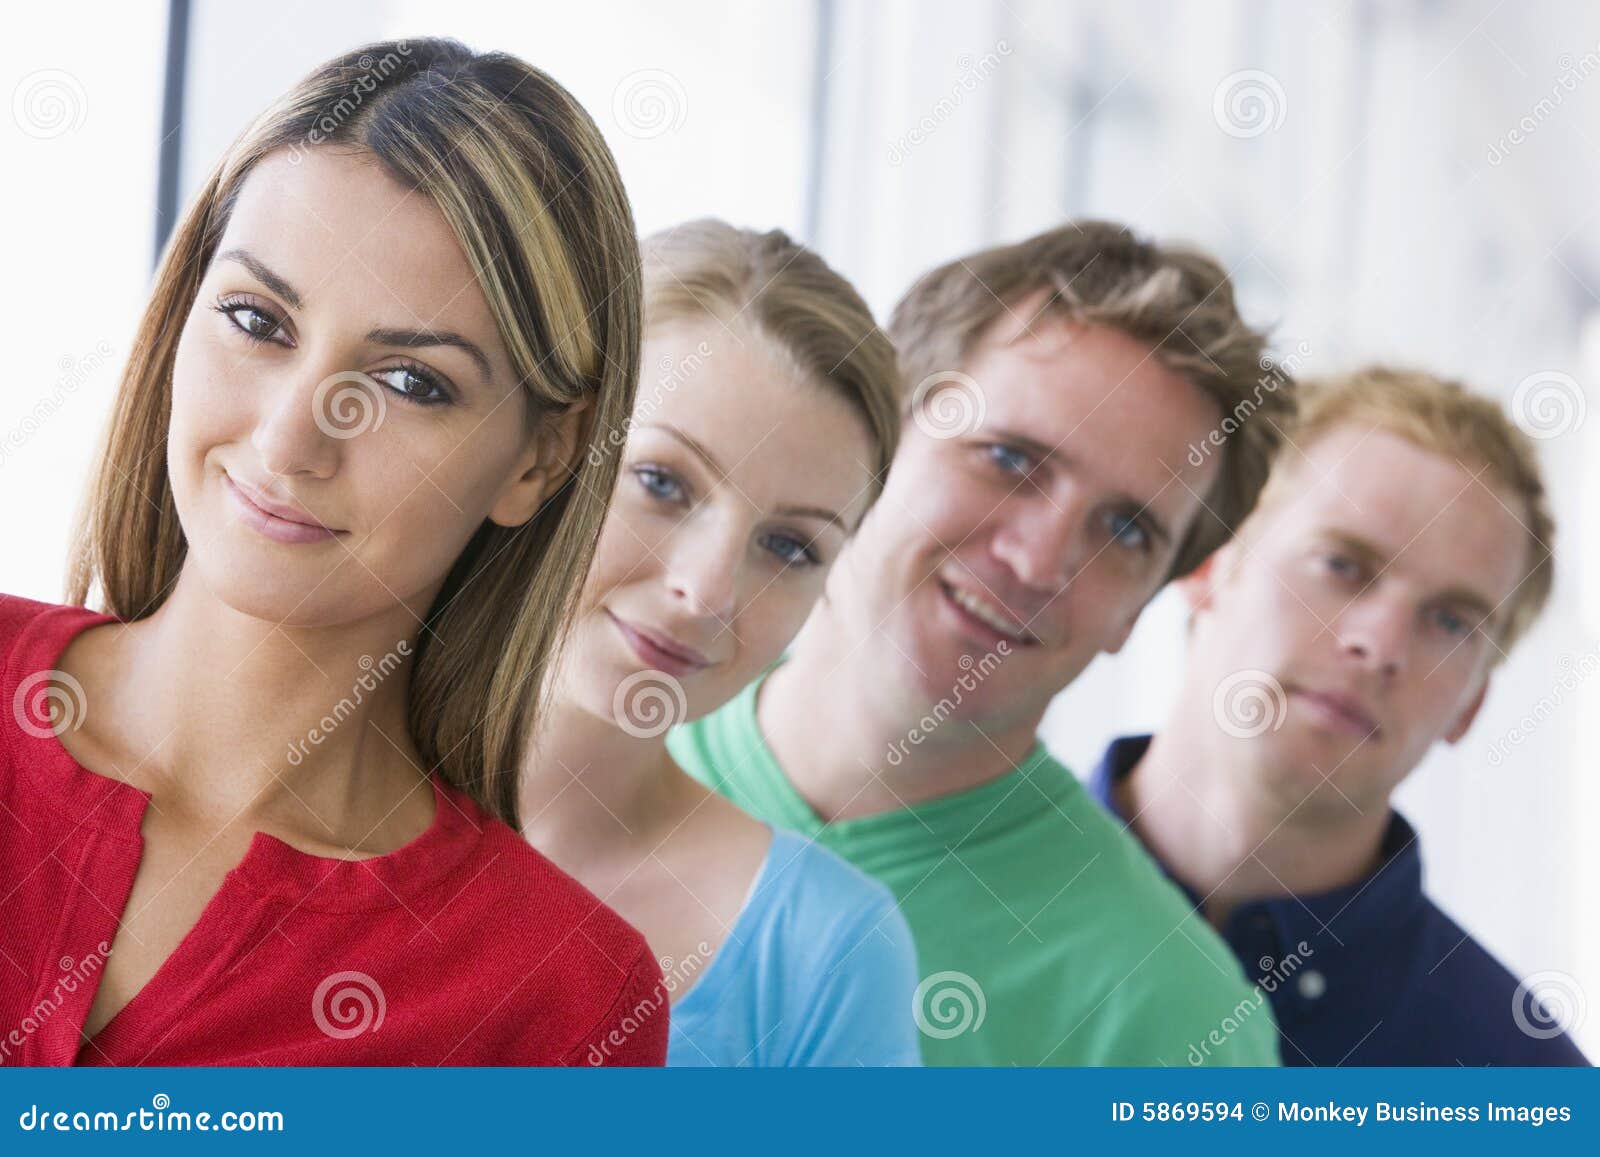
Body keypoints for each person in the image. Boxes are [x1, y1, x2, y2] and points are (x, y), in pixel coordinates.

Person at [0, 38, 665, 1066]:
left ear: (540, 456)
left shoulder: (559, 997)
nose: (287, 439)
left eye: (411, 382)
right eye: (255, 319)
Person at [669, 220, 1292, 1065]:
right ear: (877, 441)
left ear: (1137, 614)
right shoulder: (553, 749)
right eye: (1007, 458)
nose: (1039, 559)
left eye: (1124, 529)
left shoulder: (1171, 1019)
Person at [1089, 365, 1589, 1066]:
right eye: (1341, 564)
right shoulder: (930, 903)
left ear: (1471, 701)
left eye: (1449, 620)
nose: (1381, 645)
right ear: (1207, 563)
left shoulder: (1519, 1085)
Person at [521, 221, 920, 1066]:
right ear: (550, 449)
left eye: (789, 547)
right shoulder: (286, 783)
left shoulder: (828, 952)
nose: (708, 591)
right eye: (662, 482)